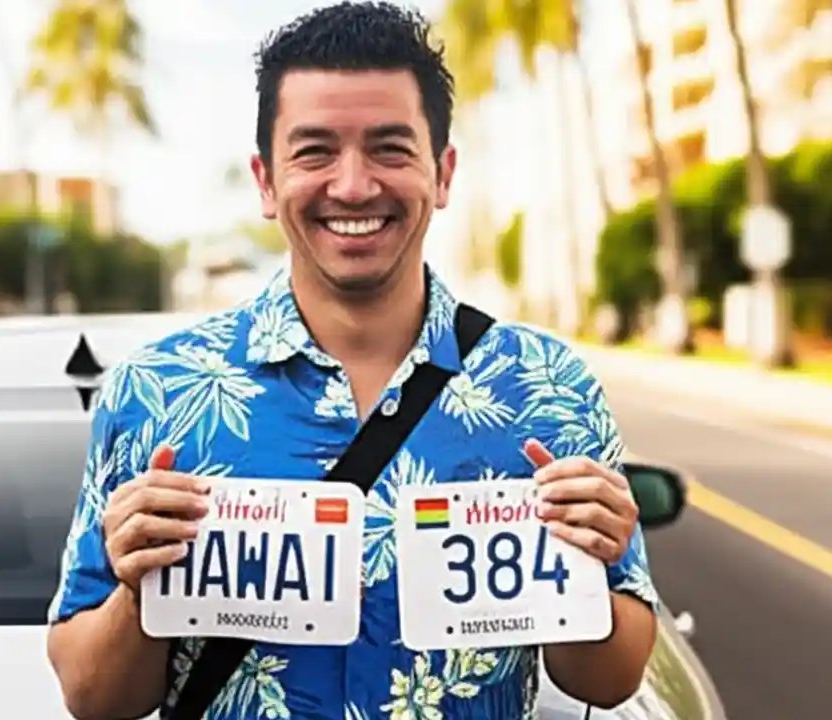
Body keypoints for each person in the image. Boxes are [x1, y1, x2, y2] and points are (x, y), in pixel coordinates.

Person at [45, 2, 660, 718]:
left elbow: (608, 681)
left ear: (444, 172)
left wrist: (594, 552)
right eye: (315, 152)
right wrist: (133, 585)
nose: (353, 185)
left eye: (390, 149)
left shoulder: (547, 387)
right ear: (267, 181)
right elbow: (92, 696)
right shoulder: (155, 392)